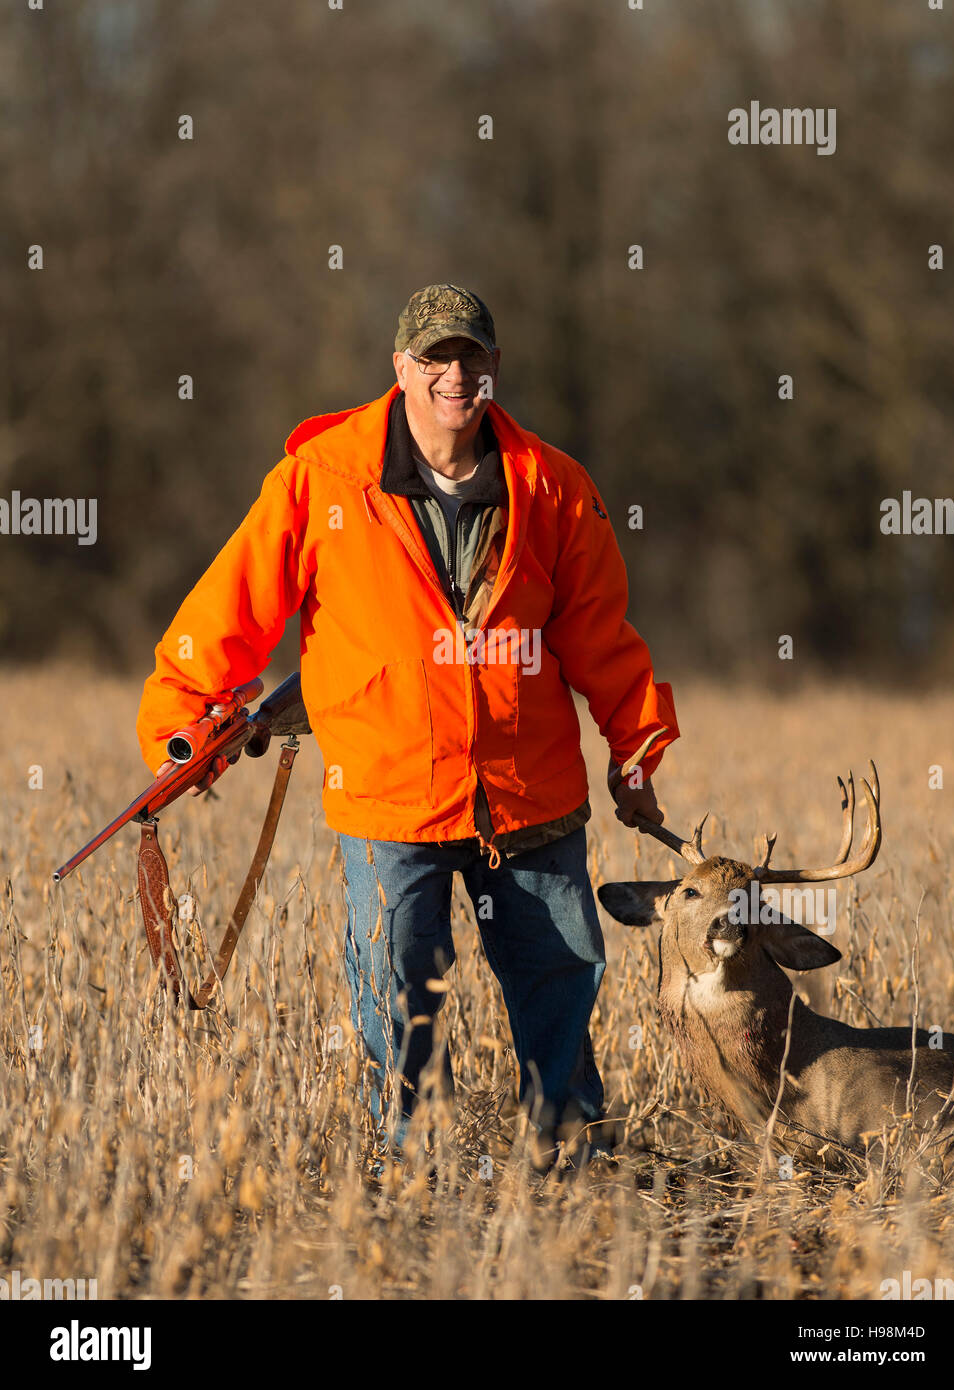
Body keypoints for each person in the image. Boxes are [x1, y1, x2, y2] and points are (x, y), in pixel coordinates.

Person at [137, 283, 679, 1170]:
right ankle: (418, 1168)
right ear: (400, 369)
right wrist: (178, 727)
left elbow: (600, 636)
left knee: (560, 981)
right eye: (434, 358)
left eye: (470, 357)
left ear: (494, 368)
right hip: (388, 798)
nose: (454, 374)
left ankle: (569, 1163)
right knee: (397, 996)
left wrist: (637, 744)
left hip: (527, 793)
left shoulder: (551, 485)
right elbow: (229, 607)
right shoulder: (322, 480)